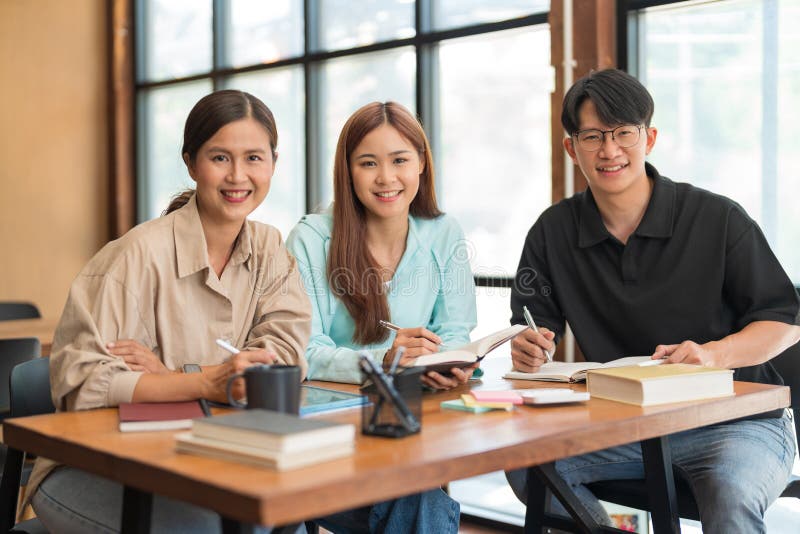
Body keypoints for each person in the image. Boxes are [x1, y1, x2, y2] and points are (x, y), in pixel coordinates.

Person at [506, 69, 800, 533]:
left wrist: (712, 355)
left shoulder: (717, 217)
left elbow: (784, 321)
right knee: (528, 465)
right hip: (623, 425)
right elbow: (532, 331)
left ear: (650, 138)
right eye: (593, 136)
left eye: (624, 132)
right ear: (571, 148)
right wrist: (528, 348)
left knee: (730, 497)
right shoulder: (552, 231)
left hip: (738, 422)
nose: (610, 150)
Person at [26, 89, 312, 533]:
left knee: (282, 511)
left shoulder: (270, 249)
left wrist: (170, 376)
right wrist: (206, 382)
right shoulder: (135, 255)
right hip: (97, 466)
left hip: (204, 457)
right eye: (220, 157)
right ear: (191, 163)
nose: (238, 175)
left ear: (273, 163)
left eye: (254, 158)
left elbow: (285, 356)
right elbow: (83, 383)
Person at [286, 101, 477, 532]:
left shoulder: (444, 232)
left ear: (422, 163)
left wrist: (442, 362)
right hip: (328, 430)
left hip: (414, 421)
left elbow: (455, 330)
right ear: (347, 171)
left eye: (400, 160)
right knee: (420, 503)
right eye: (368, 163)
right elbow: (304, 351)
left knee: (417, 497)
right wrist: (384, 362)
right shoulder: (311, 239)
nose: (386, 178)